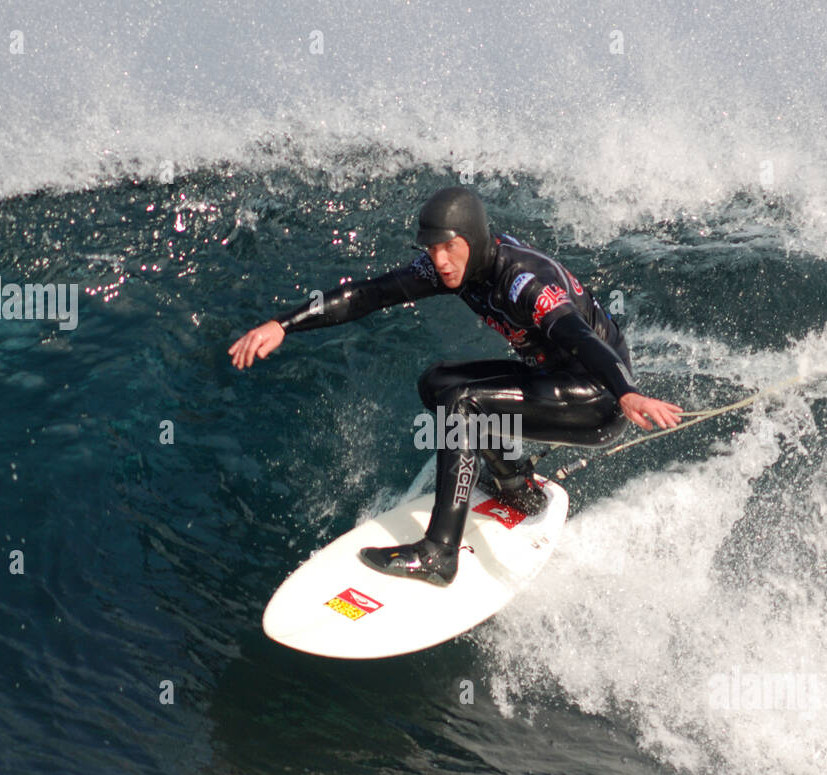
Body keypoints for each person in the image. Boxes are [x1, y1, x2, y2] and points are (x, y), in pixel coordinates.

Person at [230, 186, 683, 586]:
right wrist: (283, 325)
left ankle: (439, 552)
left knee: (462, 403)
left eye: (449, 247)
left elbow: (578, 336)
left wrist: (626, 392)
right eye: (431, 249)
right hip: (554, 380)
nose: (440, 261)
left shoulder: (526, 282)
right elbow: (371, 294)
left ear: (473, 238)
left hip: (599, 397)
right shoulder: (456, 269)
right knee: (438, 383)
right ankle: (513, 481)